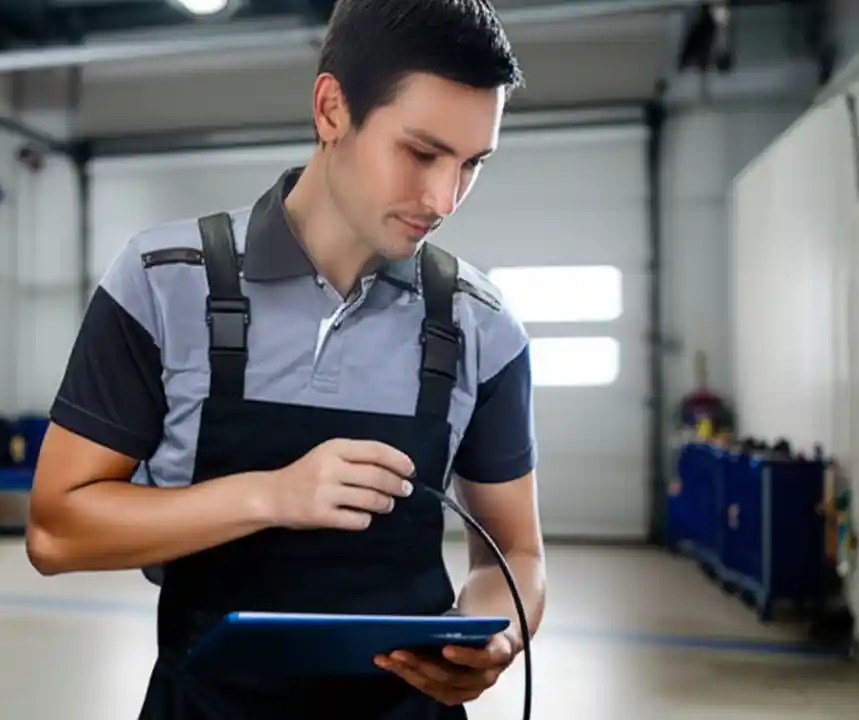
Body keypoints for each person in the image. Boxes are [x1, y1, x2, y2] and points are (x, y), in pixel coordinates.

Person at [27, 0, 546, 717]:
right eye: (421, 153)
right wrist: (271, 496)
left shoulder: (481, 327)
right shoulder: (163, 283)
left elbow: (517, 555)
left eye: (472, 164)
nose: (444, 197)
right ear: (332, 109)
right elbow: (56, 531)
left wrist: (495, 637)